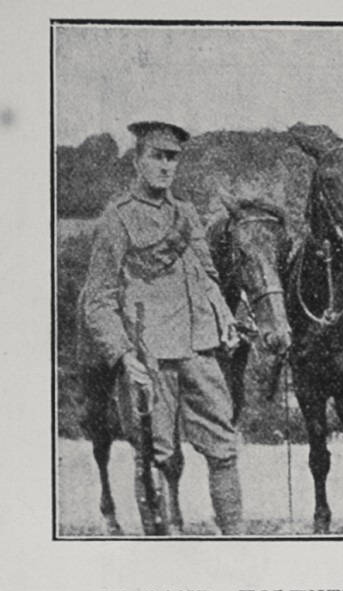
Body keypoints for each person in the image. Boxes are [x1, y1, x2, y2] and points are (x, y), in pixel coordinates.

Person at [79, 120, 243, 535]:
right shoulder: (117, 219)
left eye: (173, 158)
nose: (166, 166)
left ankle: (239, 540)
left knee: (224, 447)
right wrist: (122, 355)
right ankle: (162, 545)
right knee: (156, 455)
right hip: (149, 354)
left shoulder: (186, 214)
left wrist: (223, 310)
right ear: (138, 160)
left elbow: (207, 274)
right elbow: (97, 300)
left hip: (199, 348)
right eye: (158, 156)